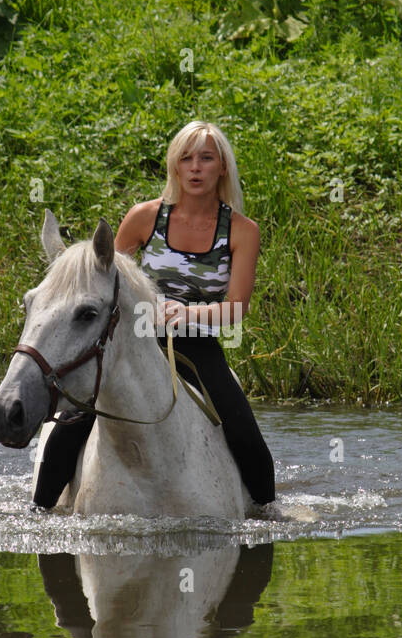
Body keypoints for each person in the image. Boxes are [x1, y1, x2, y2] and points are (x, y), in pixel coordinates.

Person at [33, 119, 276, 508]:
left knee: (245, 432)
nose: (195, 168)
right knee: (71, 426)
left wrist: (192, 315)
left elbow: (237, 308)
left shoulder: (242, 231)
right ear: (174, 166)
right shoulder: (146, 217)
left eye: (206, 158)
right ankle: (40, 510)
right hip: (136, 339)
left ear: (222, 168)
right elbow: (107, 280)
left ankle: (267, 513)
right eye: (186, 158)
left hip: (197, 345)